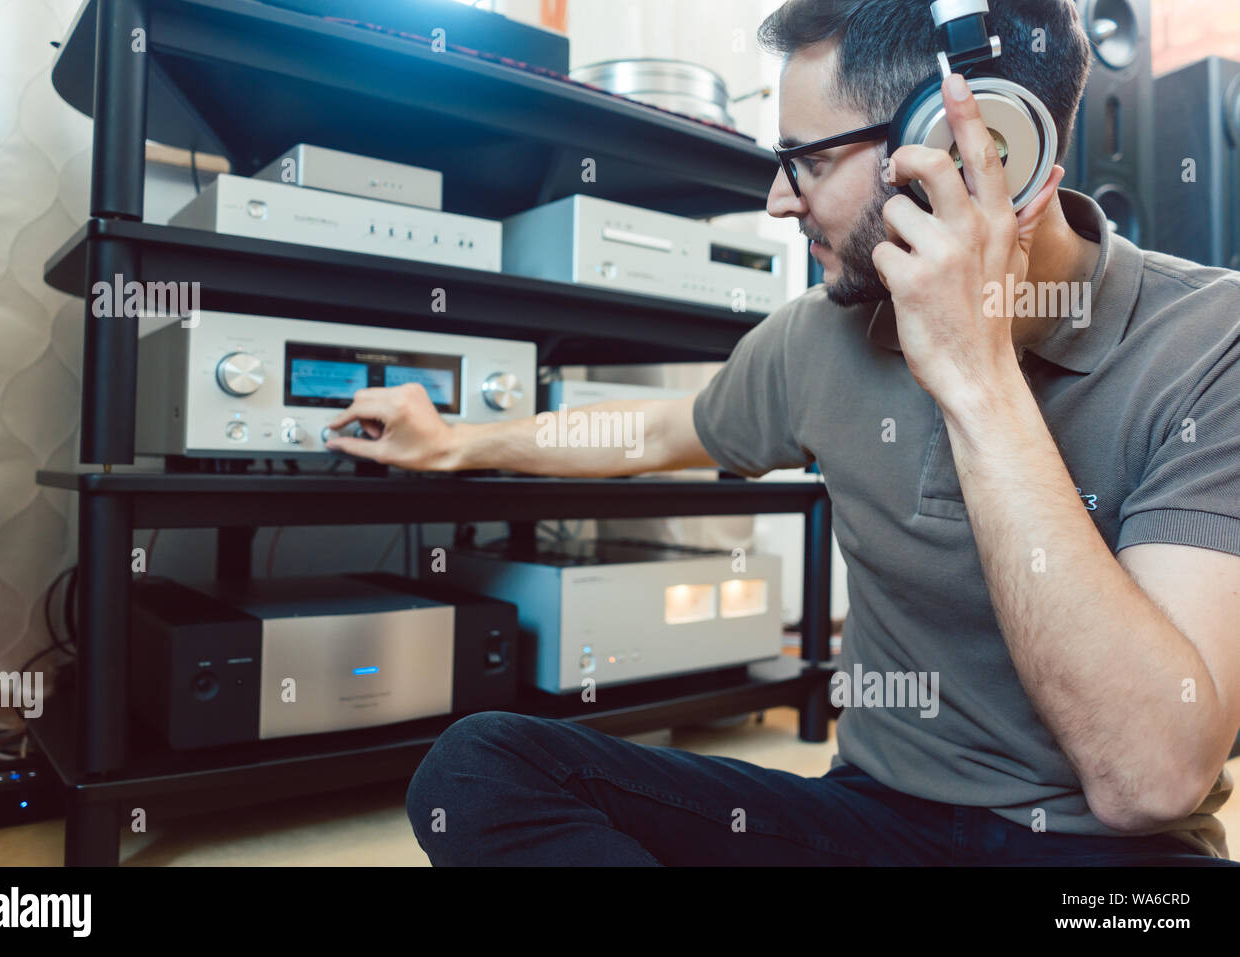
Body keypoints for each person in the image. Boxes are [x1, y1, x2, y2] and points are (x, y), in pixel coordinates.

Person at [326, 0, 1240, 866]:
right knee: (481, 768)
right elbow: (658, 431)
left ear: (972, 150)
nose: (776, 199)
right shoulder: (819, 333)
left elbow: (1150, 778)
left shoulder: (1212, 342)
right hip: (869, 821)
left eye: (805, 159)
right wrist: (455, 439)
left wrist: (977, 374)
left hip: (1108, 861)